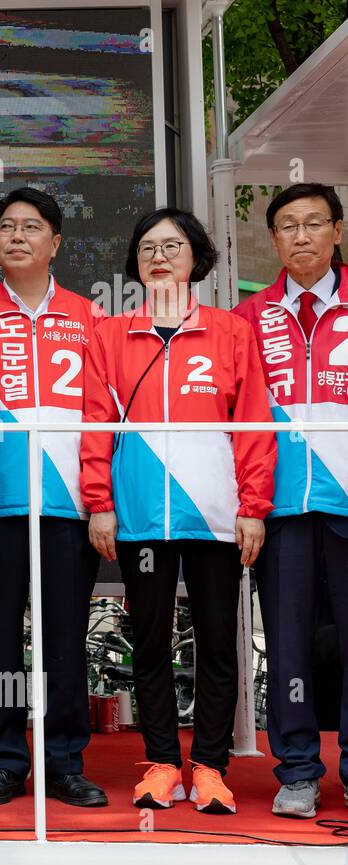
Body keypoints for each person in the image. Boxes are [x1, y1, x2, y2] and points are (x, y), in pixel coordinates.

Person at [81, 207, 276, 814]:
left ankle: (212, 767)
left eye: (172, 245)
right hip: (140, 515)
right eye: (147, 248)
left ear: (196, 258)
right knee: (149, 642)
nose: (159, 256)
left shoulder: (230, 331)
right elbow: (94, 426)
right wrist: (99, 505)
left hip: (218, 516)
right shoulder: (109, 334)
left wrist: (254, 506)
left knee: (220, 642)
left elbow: (253, 424)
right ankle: (163, 762)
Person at [0, 187, 107, 807]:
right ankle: (3, 760)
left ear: (56, 243)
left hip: (70, 504)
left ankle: (64, 759)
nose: (18, 236)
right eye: (8, 227)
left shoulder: (90, 316)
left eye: (32, 227)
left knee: (65, 636)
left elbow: (104, 414)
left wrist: (101, 497)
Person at [233, 183, 348, 818]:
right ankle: (298, 770)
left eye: (313, 223)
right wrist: (250, 504)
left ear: (337, 230)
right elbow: (242, 420)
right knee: (289, 644)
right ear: (273, 240)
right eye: (287, 226)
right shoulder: (249, 319)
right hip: (279, 507)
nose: (301, 236)